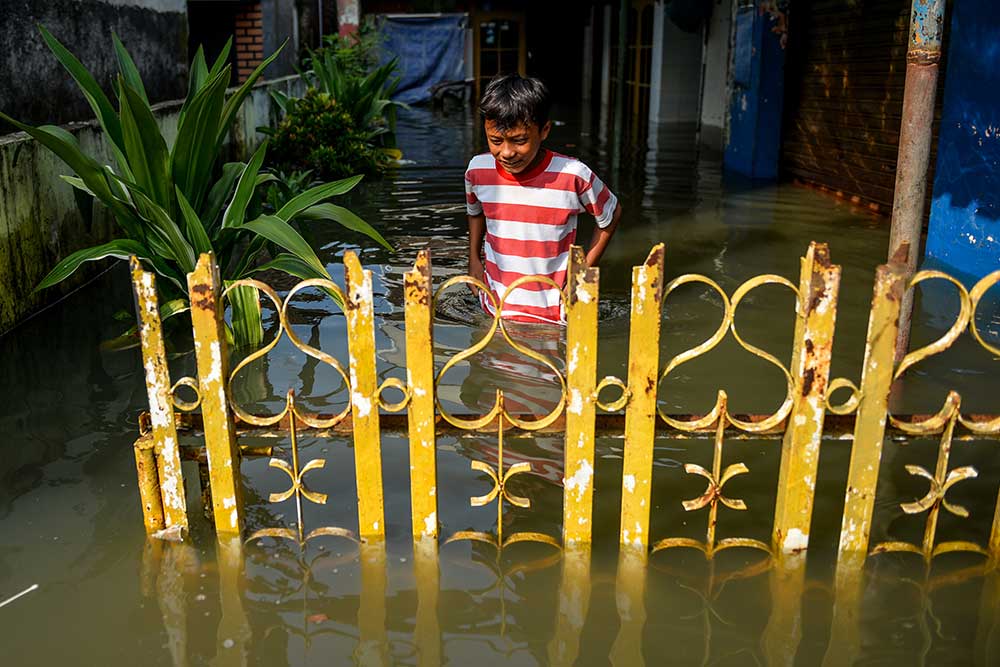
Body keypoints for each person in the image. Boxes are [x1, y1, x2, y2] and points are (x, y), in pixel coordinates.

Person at [464, 73, 622, 325]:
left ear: (545, 130)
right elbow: (475, 212)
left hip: (555, 314)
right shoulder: (478, 171)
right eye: (495, 141)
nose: (506, 152)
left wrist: (582, 273)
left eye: (519, 141)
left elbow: (611, 214)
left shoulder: (573, 175)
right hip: (494, 311)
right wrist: (473, 257)